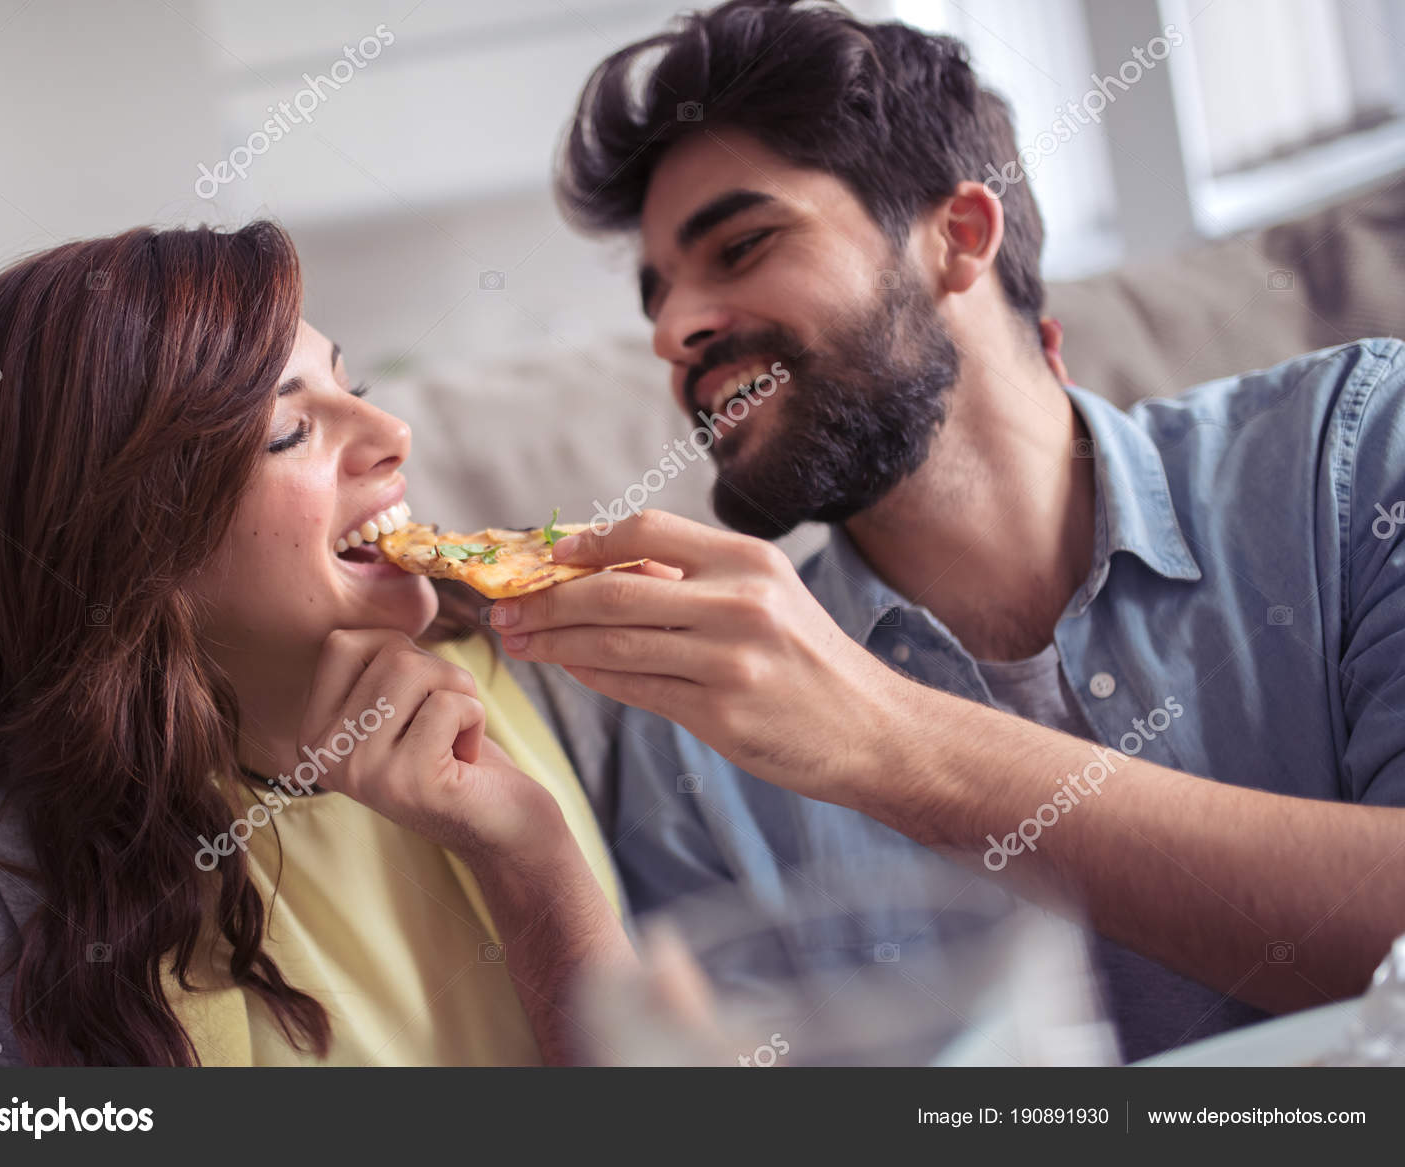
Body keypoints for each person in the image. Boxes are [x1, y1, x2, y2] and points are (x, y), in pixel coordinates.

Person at [491, 0, 1405, 1062]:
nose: (669, 332)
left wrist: (885, 739)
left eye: (741, 245)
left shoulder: (1350, 456)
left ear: (959, 238)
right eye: (655, 298)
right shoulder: (689, 724)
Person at [0, 221, 631, 1067]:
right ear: (125, 550)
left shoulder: (548, 669)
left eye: (358, 385)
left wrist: (530, 856)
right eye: (288, 430)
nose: (392, 435)